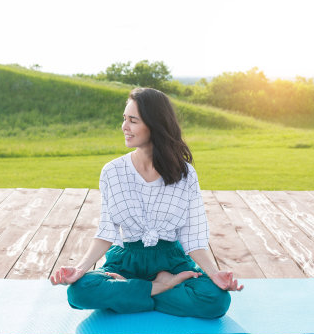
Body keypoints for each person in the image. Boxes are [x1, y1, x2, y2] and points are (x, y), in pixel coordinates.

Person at [50, 87, 244, 319]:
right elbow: (106, 231)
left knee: (216, 300)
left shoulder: (185, 174)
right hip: (125, 260)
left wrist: (215, 274)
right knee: (79, 292)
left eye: (133, 120)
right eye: (124, 119)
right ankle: (162, 287)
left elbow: (193, 236)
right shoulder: (112, 171)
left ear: (155, 125)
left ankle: (133, 292)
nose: (124, 127)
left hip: (170, 261)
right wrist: (80, 270)